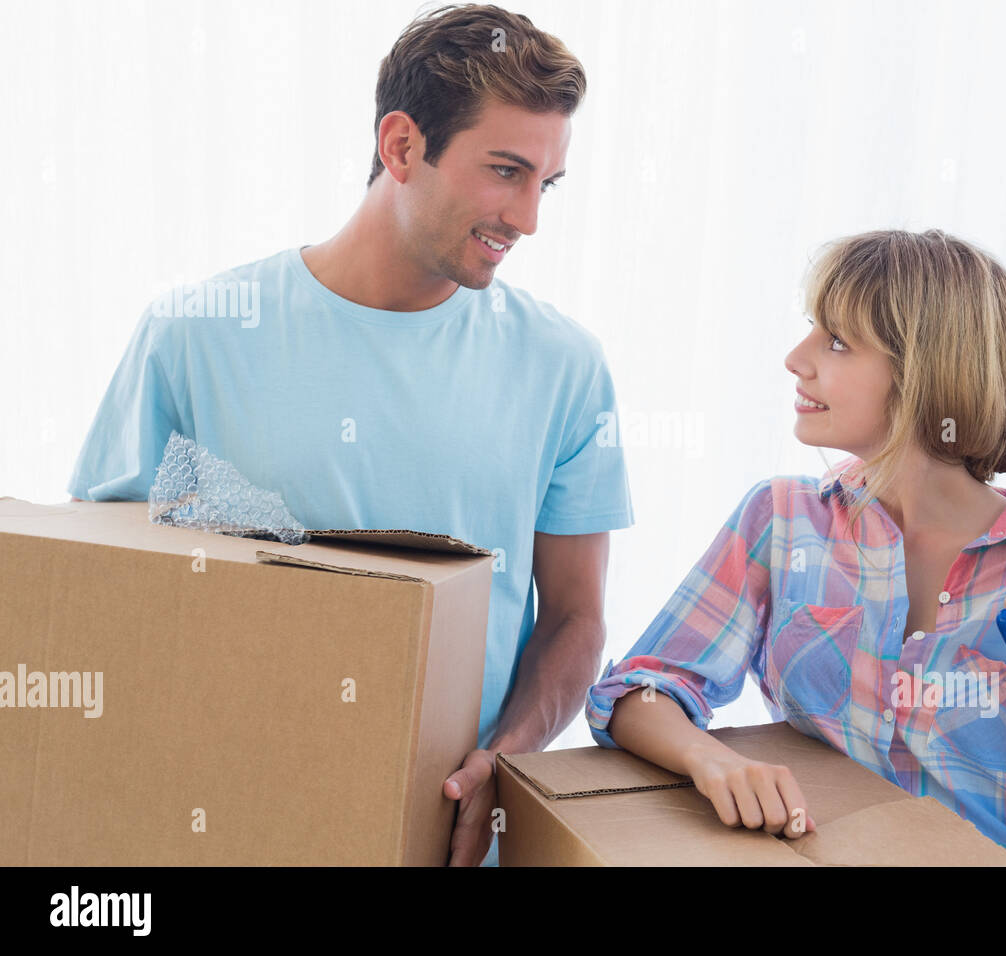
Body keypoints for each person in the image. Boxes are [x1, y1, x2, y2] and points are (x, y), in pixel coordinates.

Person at [67, 4, 633, 867]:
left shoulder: (565, 368)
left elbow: (575, 619)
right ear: (402, 146)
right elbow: (103, 595)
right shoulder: (198, 333)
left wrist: (505, 755)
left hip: (443, 841)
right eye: (506, 171)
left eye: (545, 184)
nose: (527, 218)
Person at [586, 229, 1006, 865]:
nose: (796, 359)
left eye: (836, 341)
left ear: (924, 373)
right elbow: (640, 693)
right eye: (812, 329)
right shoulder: (783, 519)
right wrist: (714, 761)